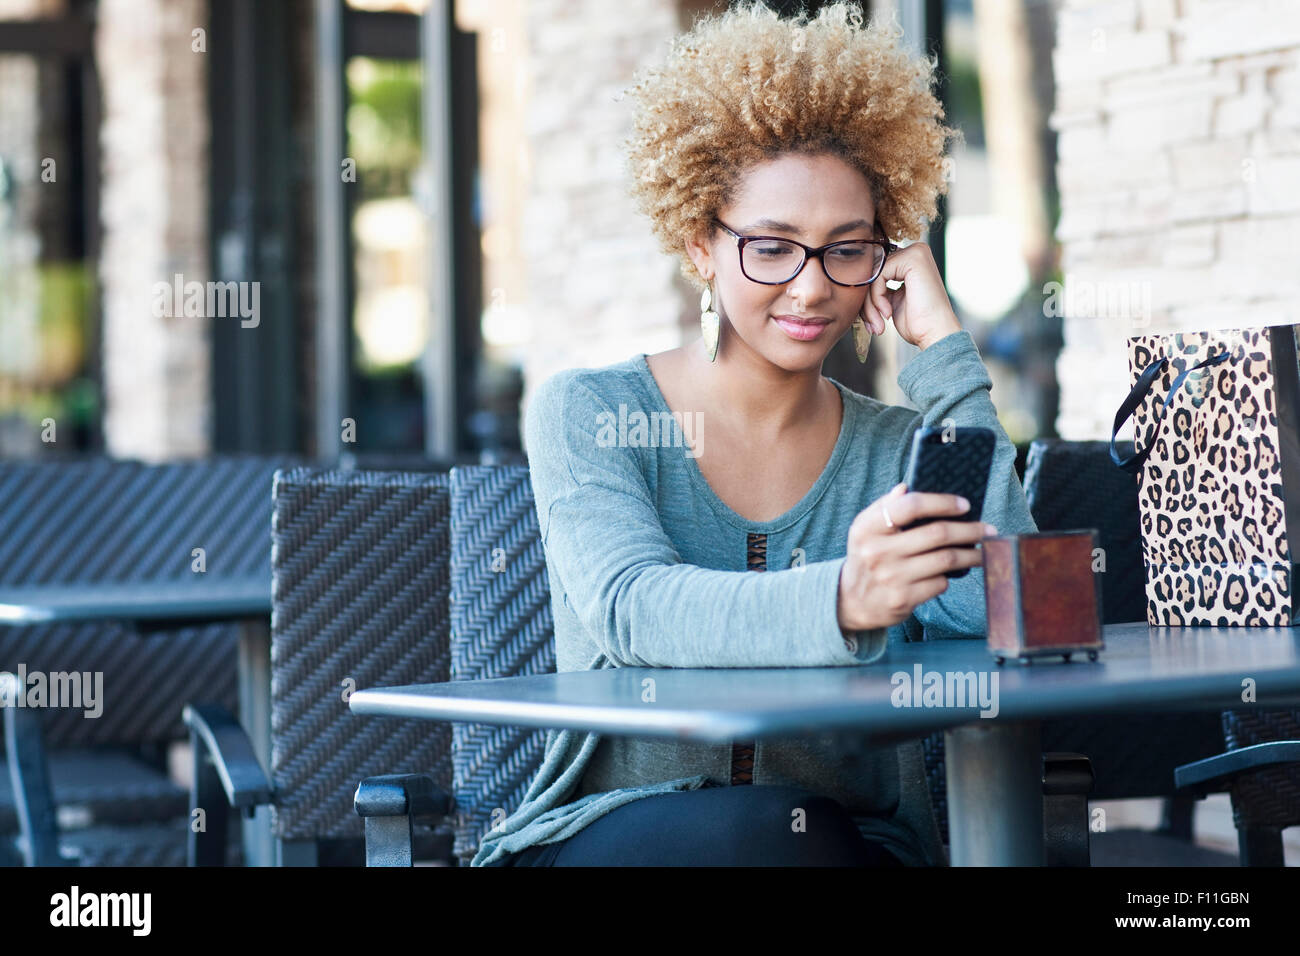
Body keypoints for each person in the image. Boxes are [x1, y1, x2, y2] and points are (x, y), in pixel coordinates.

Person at [473, 0, 1037, 867]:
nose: (811, 289)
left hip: (842, 842)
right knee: (758, 836)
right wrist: (845, 598)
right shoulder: (588, 412)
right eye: (771, 248)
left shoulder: (895, 447)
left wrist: (946, 357)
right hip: (610, 833)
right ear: (700, 244)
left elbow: (1017, 611)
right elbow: (634, 610)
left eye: (846, 249)